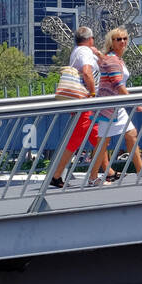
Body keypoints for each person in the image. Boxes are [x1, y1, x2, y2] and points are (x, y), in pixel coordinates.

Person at [88, 28, 142, 185]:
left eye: (125, 38)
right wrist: (135, 104)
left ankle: (140, 169)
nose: (122, 42)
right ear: (111, 42)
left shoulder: (115, 59)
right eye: (118, 39)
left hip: (116, 106)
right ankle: (92, 177)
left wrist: (99, 55)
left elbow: (105, 65)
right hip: (109, 106)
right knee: (103, 142)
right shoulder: (113, 60)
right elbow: (119, 85)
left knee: (131, 134)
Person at [49, 27, 102, 189]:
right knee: (77, 140)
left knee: (100, 138)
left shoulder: (78, 51)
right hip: (85, 102)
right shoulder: (84, 52)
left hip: (82, 102)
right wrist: (93, 93)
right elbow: (87, 72)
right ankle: (56, 175)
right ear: (90, 39)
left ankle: (110, 171)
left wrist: (98, 54)